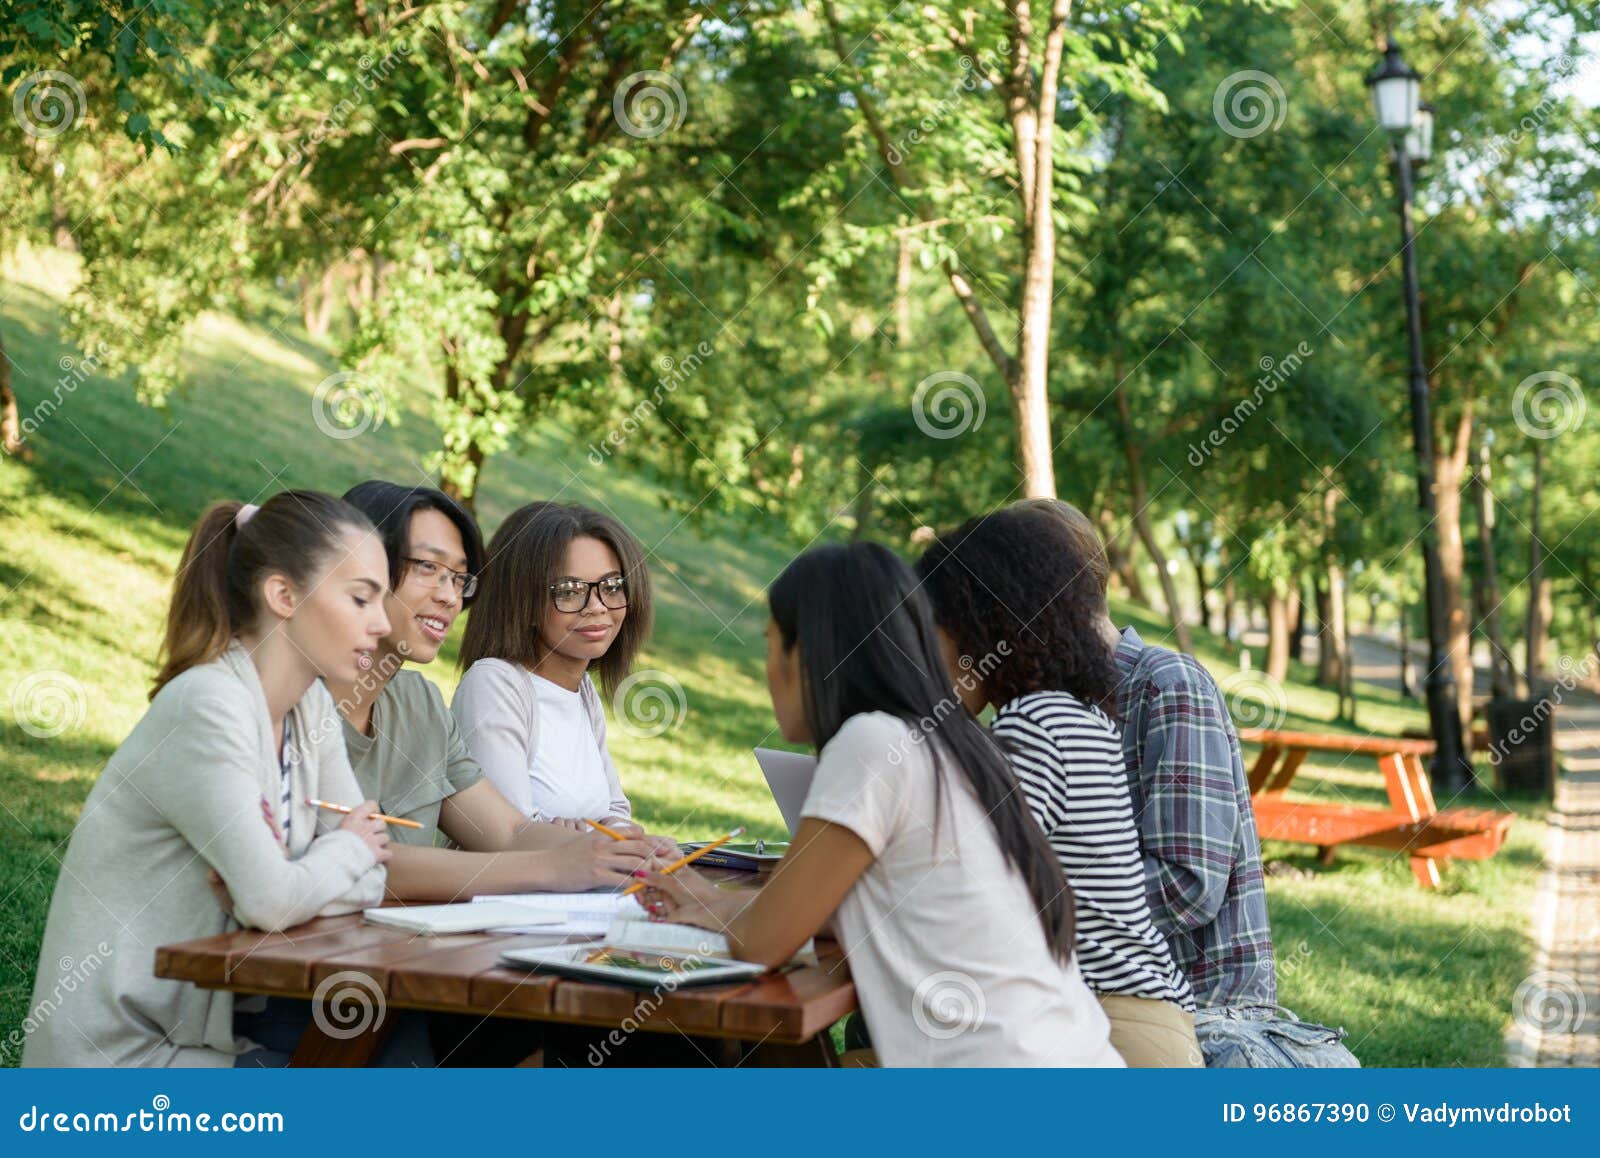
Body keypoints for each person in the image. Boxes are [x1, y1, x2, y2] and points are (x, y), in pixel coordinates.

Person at [637, 542, 1123, 1068]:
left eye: (772, 644)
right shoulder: (959, 742)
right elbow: (793, 916)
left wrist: (710, 908)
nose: (767, 669)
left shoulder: (872, 744)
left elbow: (762, 945)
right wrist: (706, 899)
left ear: (811, 652)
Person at [23, 491, 393, 1067]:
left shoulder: (309, 707)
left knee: (403, 1046)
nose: (383, 624)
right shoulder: (207, 705)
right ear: (284, 595)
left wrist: (306, 876)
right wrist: (336, 855)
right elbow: (282, 895)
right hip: (126, 1064)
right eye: (361, 598)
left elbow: (372, 875)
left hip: (212, 1034)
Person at [1010, 498, 1358, 1068]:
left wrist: (1020, 910)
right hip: (1089, 996)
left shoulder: (1166, 686)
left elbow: (1189, 884)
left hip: (1199, 1014)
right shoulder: (1050, 707)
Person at [915, 510, 1201, 1067]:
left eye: (933, 631)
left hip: (1114, 1030)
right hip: (1141, 1023)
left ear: (982, 627)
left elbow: (953, 883)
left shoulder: (1035, 725)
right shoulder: (1077, 715)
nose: (927, 657)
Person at [330, 482, 673, 903]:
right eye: (427, 568)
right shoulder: (300, 702)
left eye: (458, 578)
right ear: (360, 568)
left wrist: (626, 852)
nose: (448, 595)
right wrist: (559, 865)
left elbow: (507, 832)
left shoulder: (421, 703)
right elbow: (351, 862)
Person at [453, 502, 651, 828]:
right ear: (522, 600)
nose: (598, 607)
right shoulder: (494, 685)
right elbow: (512, 834)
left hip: (589, 879)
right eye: (569, 591)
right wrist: (597, 841)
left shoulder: (582, 689)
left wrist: (632, 842)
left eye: (613, 586)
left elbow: (614, 813)